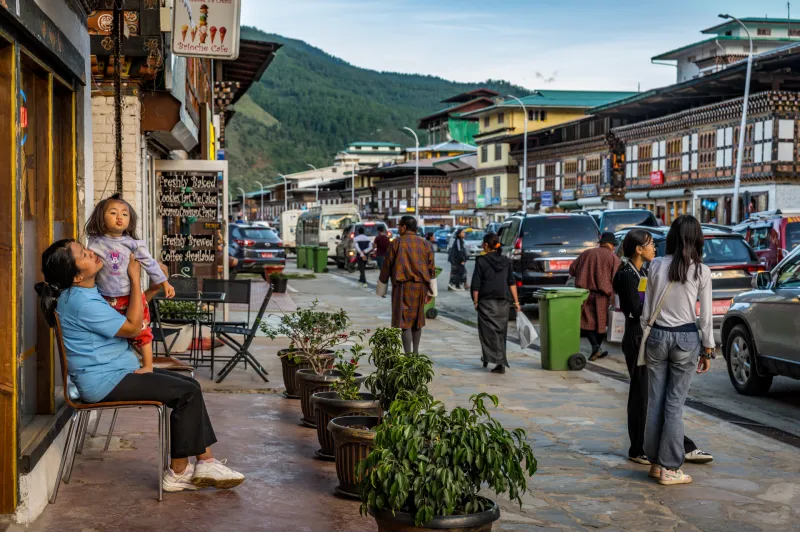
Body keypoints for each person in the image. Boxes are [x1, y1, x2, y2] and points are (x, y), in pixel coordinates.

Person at [36, 239, 244, 492]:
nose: (92, 252)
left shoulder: (83, 293)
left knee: (189, 385)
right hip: (106, 381)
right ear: (77, 276)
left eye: (86, 248)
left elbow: (125, 316)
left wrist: (153, 288)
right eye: (84, 254)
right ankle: (180, 471)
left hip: (115, 374)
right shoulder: (81, 302)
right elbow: (133, 327)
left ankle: (205, 462)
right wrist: (135, 279)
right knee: (187, 393)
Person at [613, 229, 713, 467]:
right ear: (638, 249)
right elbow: (637, 311)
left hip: (649, 334)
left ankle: (675, 446)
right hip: (640, 336)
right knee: (646, 396)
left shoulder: (646, 269)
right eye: (649, 245)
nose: (653, 248)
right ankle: (640, 448)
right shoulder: (627, 274)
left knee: (656, 398)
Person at [641, 215, 714, 486]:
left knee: (655, 401)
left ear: (671, 237)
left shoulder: (657, 264)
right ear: (697, 238)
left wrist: (651, 330)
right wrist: (708, 349)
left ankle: (655, 462)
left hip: (657, 336)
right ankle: (670, 469)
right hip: (686, 338)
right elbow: (705, 317)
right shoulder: (701, 271)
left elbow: (646, 309)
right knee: (674, 404)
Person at [85, 194, 175, 375]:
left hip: (131, 296)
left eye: (125, 214)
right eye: (113, 213)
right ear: (101, 218)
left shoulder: (133, 244)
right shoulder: (94, 243)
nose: (120, 217)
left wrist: (164, 282)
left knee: (142, 331)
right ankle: (118, 361)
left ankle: (148, 365)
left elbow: (150, 263)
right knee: (111, 332)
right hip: (105, 297)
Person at [378, 215, 436, 354]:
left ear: (404, 227)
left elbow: (387, 266)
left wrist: (382, 288)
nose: (398, 228)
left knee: (405, 323)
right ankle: (415, 352)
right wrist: (431, 291)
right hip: (420, 287)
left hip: (402, 287)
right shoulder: (425, 244)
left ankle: (408, 354)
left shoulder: (397, 243)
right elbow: (431, 268)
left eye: (399, 226)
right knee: (417, 321)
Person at [471, 232, 521, 374]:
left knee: (487, 333)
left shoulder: (481, 261)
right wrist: (516, 302)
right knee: (500, 332)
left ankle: (496, 359)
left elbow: (476, 284)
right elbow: (511, 282)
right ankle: (498, 362)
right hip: (504, 302)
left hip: (486, 301)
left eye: (483, 243)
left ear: (486, 245)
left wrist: (475, 302)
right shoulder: (505, 260)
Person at [569, 232, 621, 360]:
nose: (614, 247)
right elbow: (617, 279)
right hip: (603, 296)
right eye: (613, 244)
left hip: (584, 294)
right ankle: (597, 348)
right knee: (601, 324)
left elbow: (572, 270)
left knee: (587, 323)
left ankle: (596, 348)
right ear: (609, 244)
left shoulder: (586, 253)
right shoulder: (613, 258)